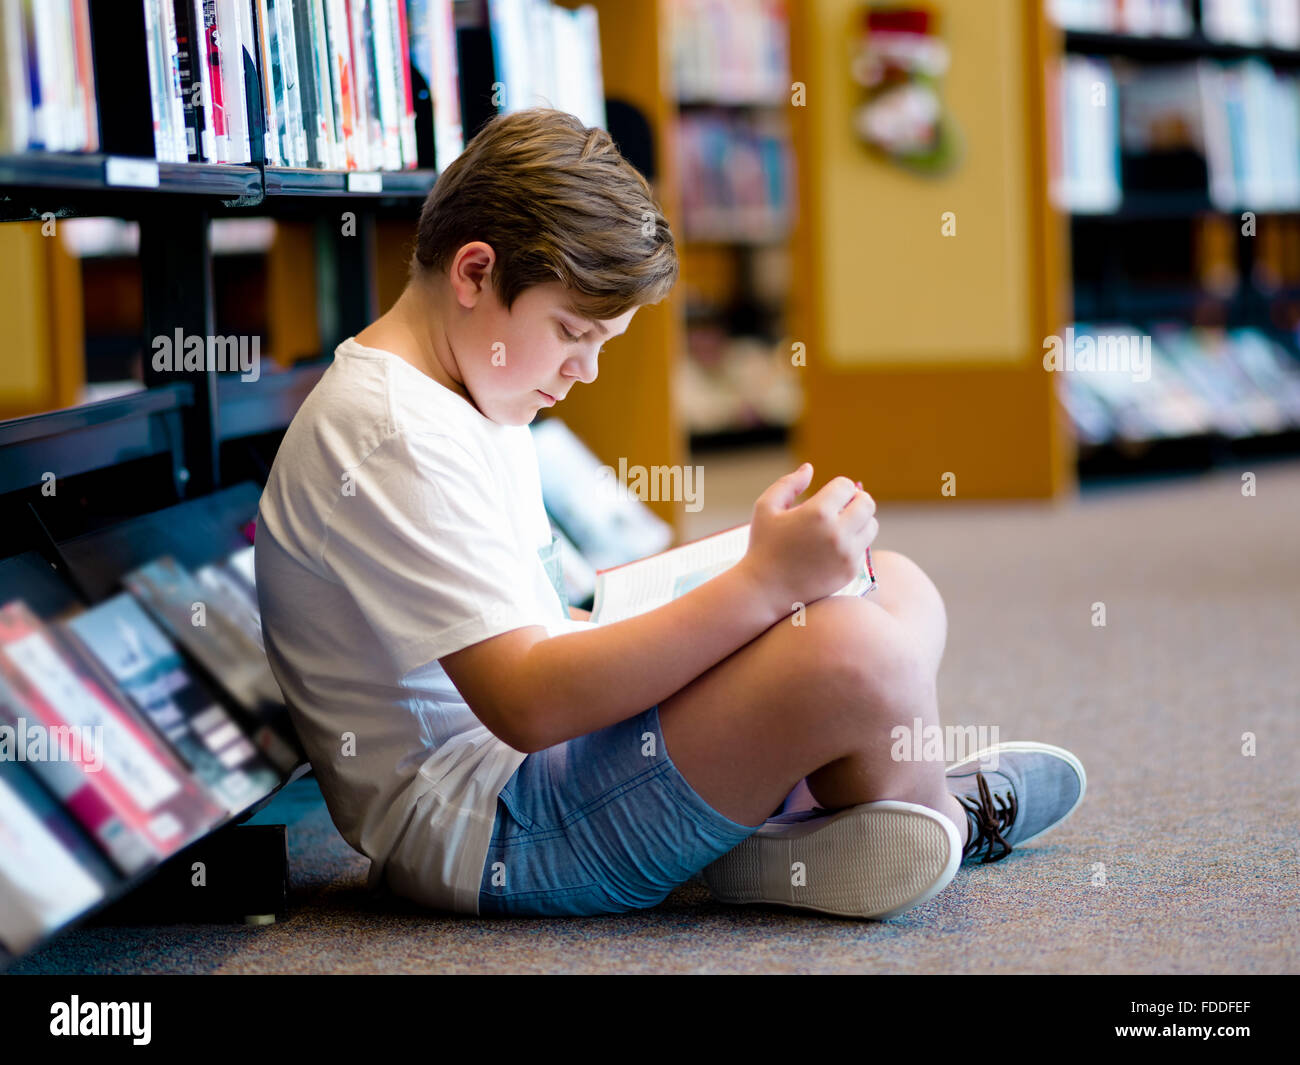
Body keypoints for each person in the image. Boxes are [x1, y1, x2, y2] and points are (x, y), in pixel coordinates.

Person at [254, 107, 1086, 922]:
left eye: (604, 343)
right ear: (474, 273)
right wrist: (760, 586)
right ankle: (934, 815)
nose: (584, 371)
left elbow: (550, 619)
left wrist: (749, 592)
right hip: (503, 830)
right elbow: (526, 702)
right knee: (861, 652)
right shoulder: (393, 432)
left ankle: (782, 822)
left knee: (891, 585)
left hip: (550, 769)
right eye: (572, 330)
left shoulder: (474, 390)